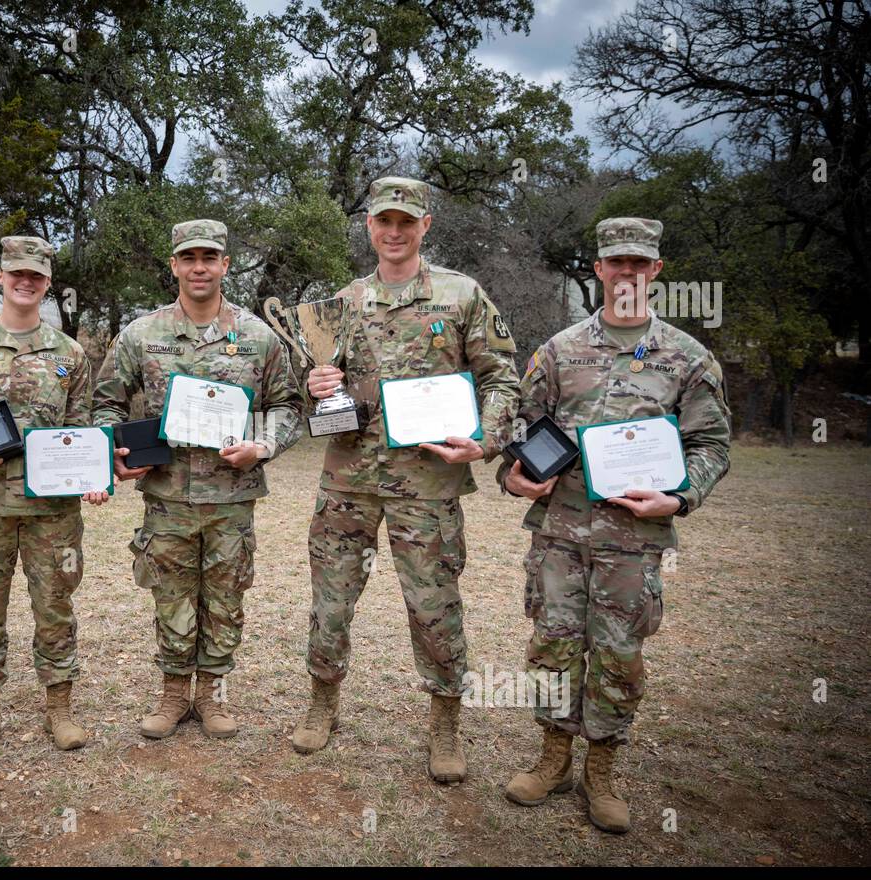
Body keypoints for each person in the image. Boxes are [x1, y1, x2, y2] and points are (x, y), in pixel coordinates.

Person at [501, 216, 731, 833]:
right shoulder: (557, 350)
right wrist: (514, 477)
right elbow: (520, 432)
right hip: (560, 538)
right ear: (598, 269)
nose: (626, 273)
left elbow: (711, 443)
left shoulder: (686, 357)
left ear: (655, 271)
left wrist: (679, 499)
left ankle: (601, 770)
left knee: (619, 656)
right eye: (615, 263)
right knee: (552, 647)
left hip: (634, 544)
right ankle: (553, 758)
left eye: (639, 264)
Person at [293, 177, 519, 787]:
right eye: (382, 220)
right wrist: (317, 391)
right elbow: (317, 396)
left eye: (406, 221)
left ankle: (444, 720)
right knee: (331, 602)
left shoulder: (461, 295)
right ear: (368, 226)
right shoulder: (341, 303)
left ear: (425, 226)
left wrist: (487, 438)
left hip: (427, 487)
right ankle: (323, 700)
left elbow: (502, 379)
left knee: (434, 606)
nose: (394, 232)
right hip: (349, 481)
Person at [93, 219, 303, 739]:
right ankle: (171, 694)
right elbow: (105, 403)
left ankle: (211, 694)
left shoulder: (257, 336)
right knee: (171, 595)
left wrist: (263, 446)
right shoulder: (142, 335)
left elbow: (289, 406)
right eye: (189, 258)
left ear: (225, 264)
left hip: (232, 497)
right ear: (174, 266)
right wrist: (112, 453)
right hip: (167, 496)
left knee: (227, 597)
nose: (199, 267)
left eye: (209, 257)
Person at [0, 236, 104, 754]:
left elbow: (81, 427)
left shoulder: (69, 353)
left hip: (52, 512)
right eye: (16, 274)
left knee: (55, 605)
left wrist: (92, 473)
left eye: (36, 275)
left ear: (48, 283)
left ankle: (60, 709)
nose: (25, 282)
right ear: (1, 278)